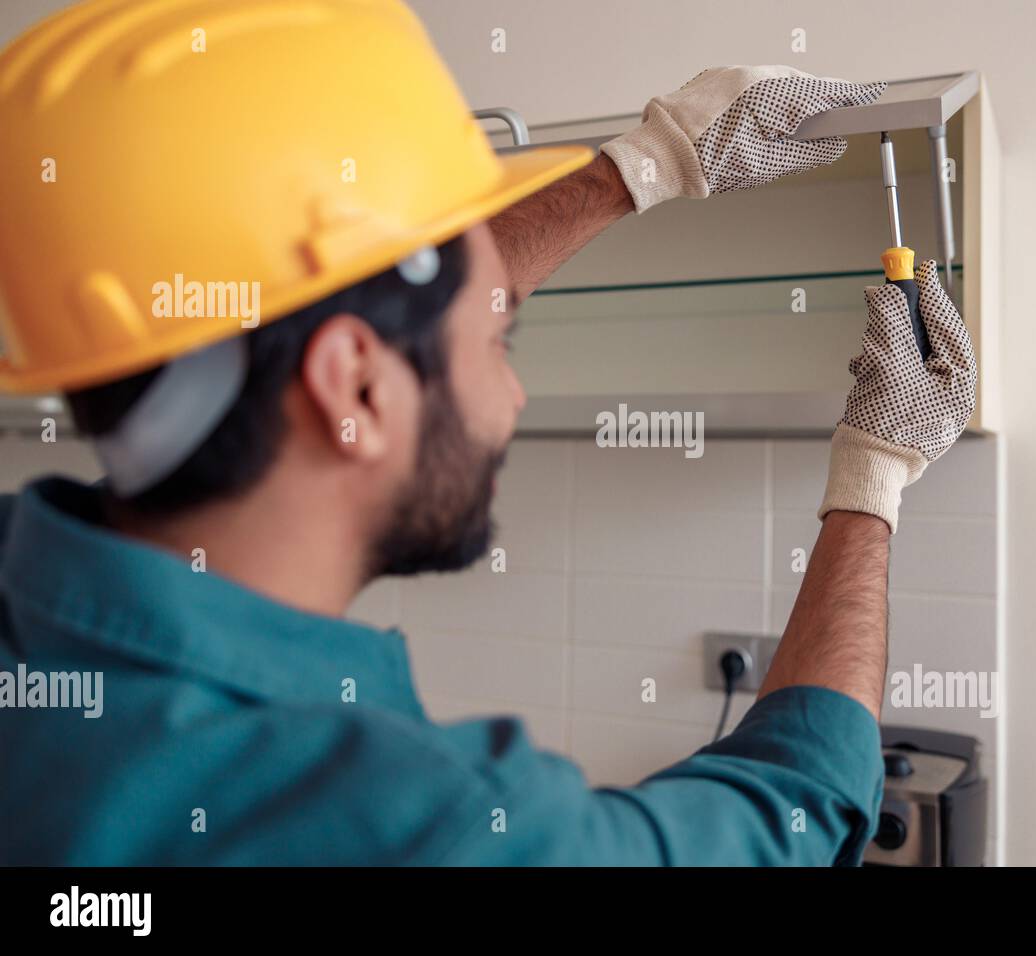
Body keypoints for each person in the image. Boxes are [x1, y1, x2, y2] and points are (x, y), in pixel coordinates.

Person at [0, 0, 975, 865]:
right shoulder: (421, 823)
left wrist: (647, 165)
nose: (508, 396)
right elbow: (787, 815)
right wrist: (875, 472)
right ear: (357, 391)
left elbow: (348, 323)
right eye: (499, 339)